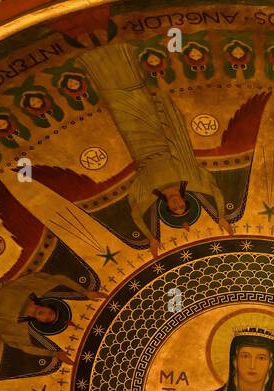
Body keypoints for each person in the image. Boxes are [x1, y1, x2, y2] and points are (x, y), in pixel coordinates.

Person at [78, 42, 231, 251]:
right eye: (182, 206)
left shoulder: (148, 193)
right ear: (186, 201)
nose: (177, 205)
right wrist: (221, 216)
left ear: (167, 207)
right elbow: (216, 192)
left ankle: (97, 65)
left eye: (174, 208)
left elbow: (135, 213)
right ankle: (123, 55)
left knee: (119, 107)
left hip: (137, 143)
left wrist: (150, 237)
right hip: (160, 133)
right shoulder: (189, 179)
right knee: (141, 97)